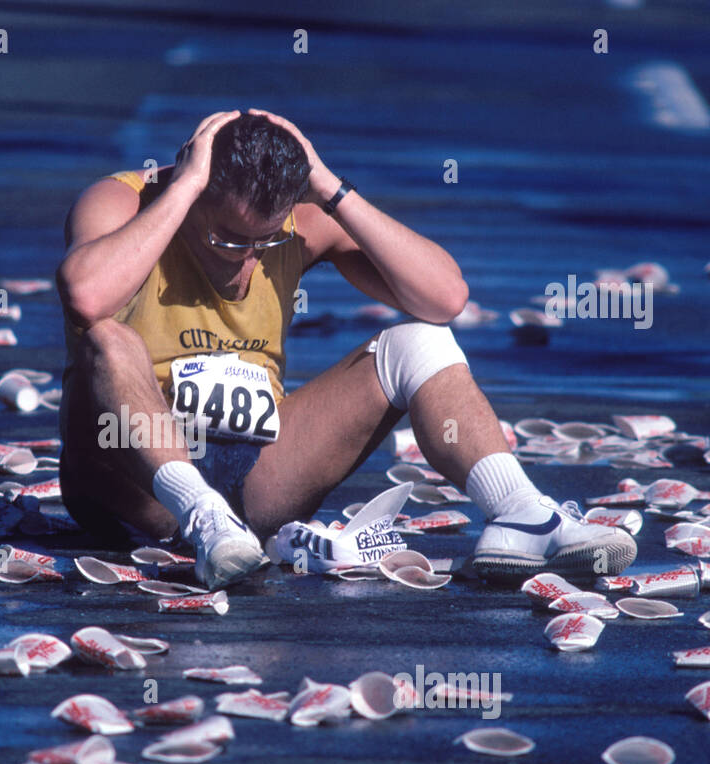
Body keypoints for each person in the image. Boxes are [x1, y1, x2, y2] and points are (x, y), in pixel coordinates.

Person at [55, 108, 637, 589]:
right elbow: (84, 295)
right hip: (135, 484)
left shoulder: (293, 224)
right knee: (107, 338)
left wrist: (331, 189)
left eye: (267, 241)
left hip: (257, 480)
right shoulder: (124, 203)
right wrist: (182, 189)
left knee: (419, 340)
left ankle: (520, 512)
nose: (249, 262)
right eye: (229, 240)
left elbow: (445, 297)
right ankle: (202, 515)